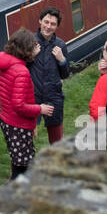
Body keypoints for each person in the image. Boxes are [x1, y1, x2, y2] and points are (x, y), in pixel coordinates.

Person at [0, 29, 55, 180]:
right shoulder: (21, 71)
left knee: (18, 162)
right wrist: (40, 109)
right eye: (33, 45)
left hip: (8, 121)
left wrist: (32, 124)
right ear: (26, 49)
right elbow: (19, 105)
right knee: (23, 167)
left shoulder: (8, 64)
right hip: (17, 125)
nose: (37, 47)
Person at [31, 8, 70, 145]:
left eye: (52, 24)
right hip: (32, 98)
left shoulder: (60, 45)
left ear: (57, 26)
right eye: (46, 22)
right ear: (40, 21)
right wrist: (31, 56)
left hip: (54, 98)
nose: (48, 26)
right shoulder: (29, 42)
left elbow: (65, 74)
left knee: (56, 141)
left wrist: (62, 60)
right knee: (26, 141)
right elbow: (18, 69)